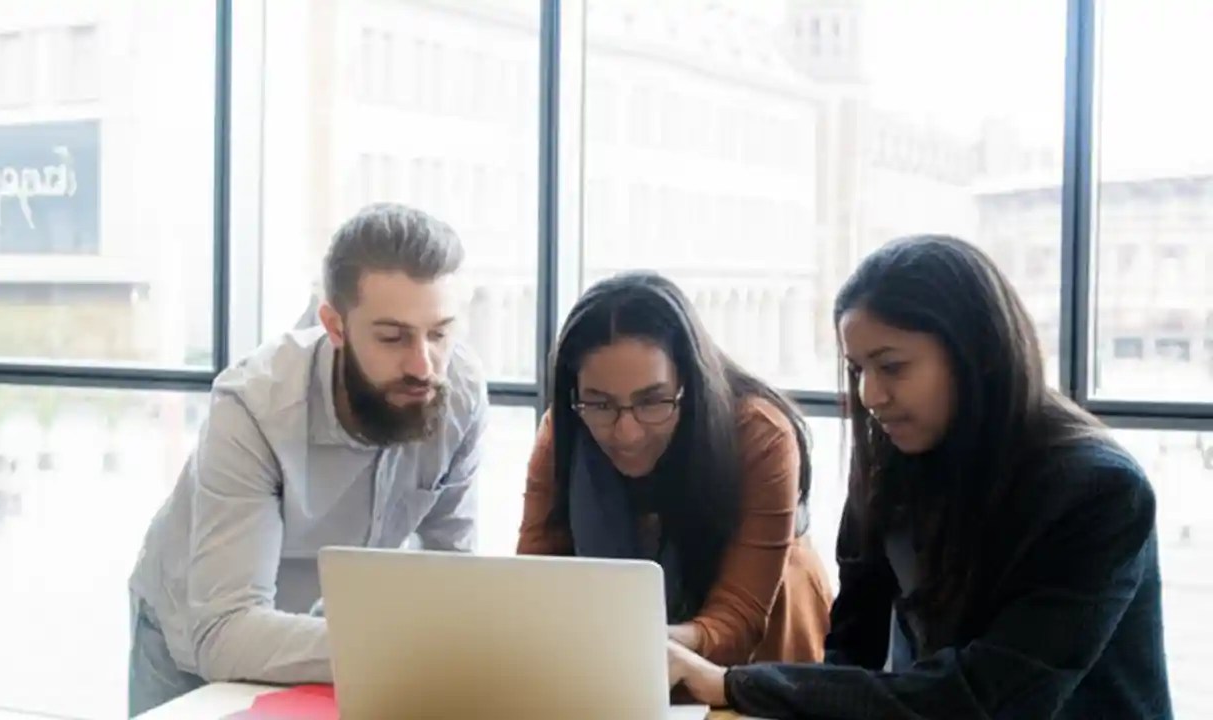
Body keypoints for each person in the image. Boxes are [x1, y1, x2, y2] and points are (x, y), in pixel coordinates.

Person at [668, 235, 1173, 719]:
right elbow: (851, 647)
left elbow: (986, 697)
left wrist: (736, 682)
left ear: (978, 354)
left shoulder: (1100, 492)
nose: (869, 395)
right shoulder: (893, 460)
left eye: (892, 366)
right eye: (858, 368)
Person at [127, 203, 489, 715]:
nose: (422, 364)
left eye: (439, 333)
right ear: (335, 326)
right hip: (192, 640)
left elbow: (452, 569)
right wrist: (396, 650)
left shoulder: (460, 392)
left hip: (334, 643)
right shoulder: (254, 405)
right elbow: (225, 632)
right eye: (392, 337)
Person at [518, 271, 834, 670]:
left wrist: (640, 640)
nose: (627, 432)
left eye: (653, 401)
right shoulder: (563, 430)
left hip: (764, 648)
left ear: (692, 384)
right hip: (621, 661)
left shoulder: (761, 434)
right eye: (600, 404)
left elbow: (737, 621)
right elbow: (533, 582)